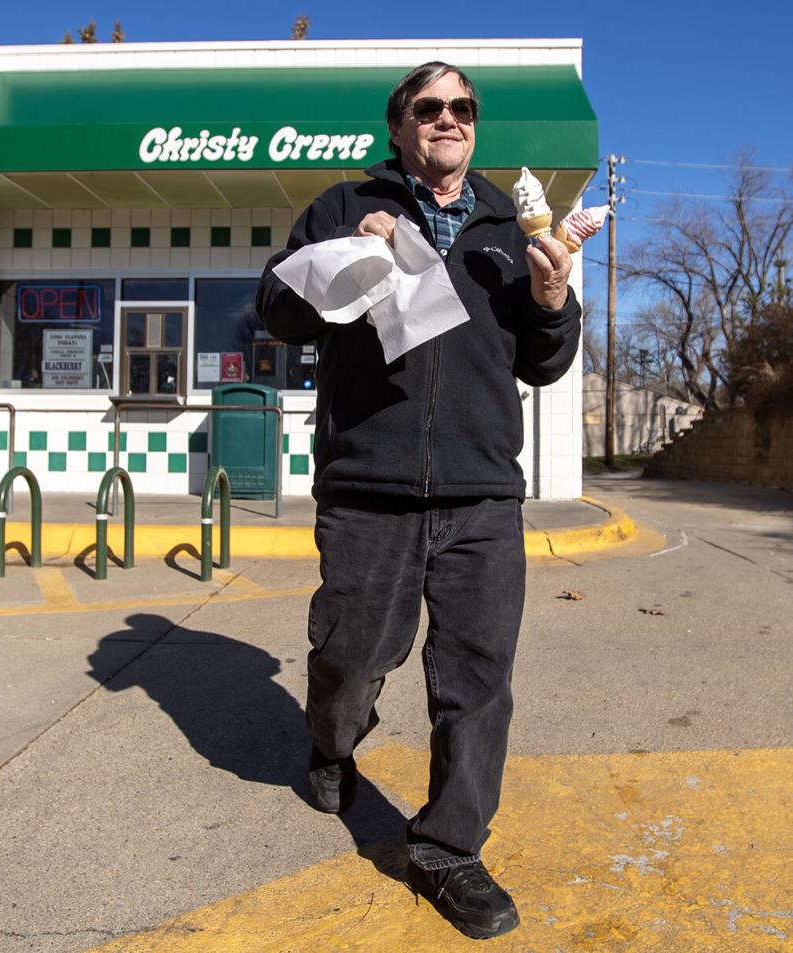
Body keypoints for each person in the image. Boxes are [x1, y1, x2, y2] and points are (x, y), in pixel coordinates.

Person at [255, 62, 580, 940]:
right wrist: (344, 257)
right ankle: (331, 742)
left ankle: (448, 849)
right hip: (370, 486)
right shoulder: (341, 202)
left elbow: (543, 360)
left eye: (462, 108)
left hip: (481, 490)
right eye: (429, 107)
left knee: (477, 682)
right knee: (348, 658)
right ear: (398, 127)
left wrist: (552, 300)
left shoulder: (507, 227)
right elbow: (275, 311)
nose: (448, 119)